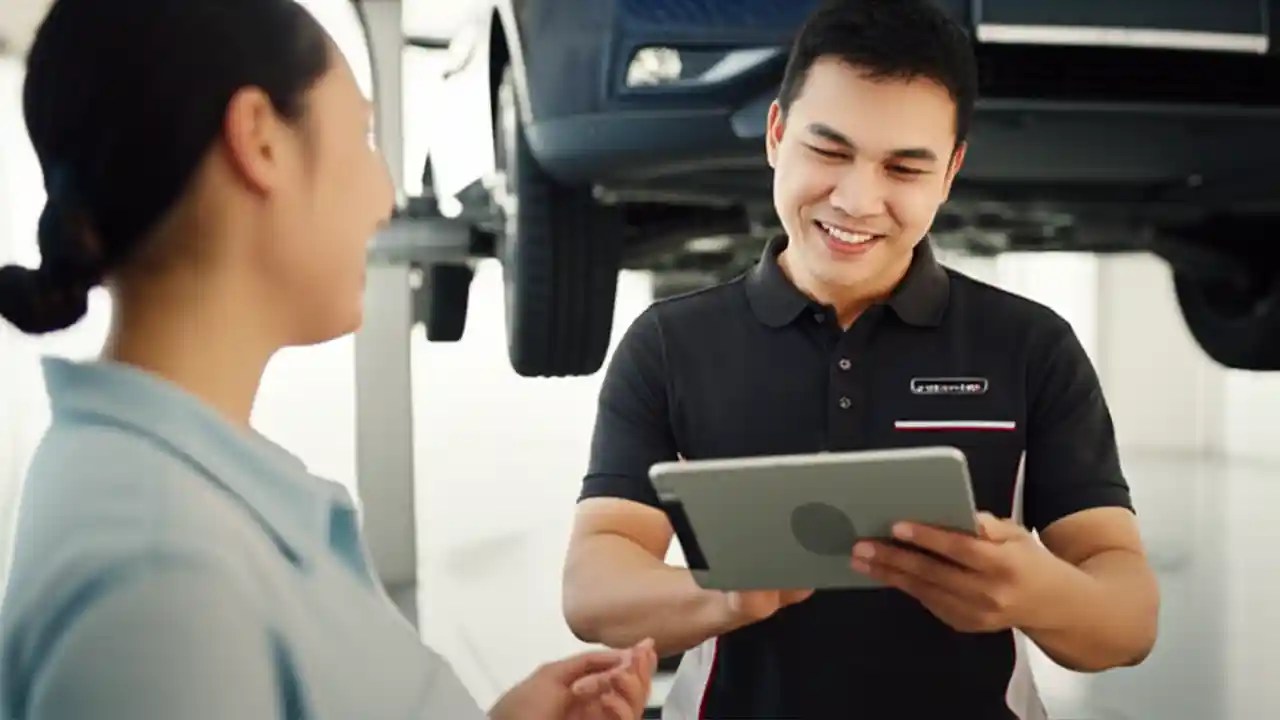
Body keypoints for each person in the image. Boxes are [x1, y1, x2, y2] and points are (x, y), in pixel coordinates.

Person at [0, 1, 655, 719]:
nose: (382, 198)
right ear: (261, 141)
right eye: (364, 136)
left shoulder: (168, 498)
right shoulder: (158, 581)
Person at [561, 0, 1161, 717]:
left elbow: (1128, 621)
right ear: (777, 135)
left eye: (905, 168)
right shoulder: (670, 346)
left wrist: (1037, 593)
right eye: (829, 151)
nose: (857, 199)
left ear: (950, 173)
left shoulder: (1030, 346)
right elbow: (592, 589)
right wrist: (723, 592)